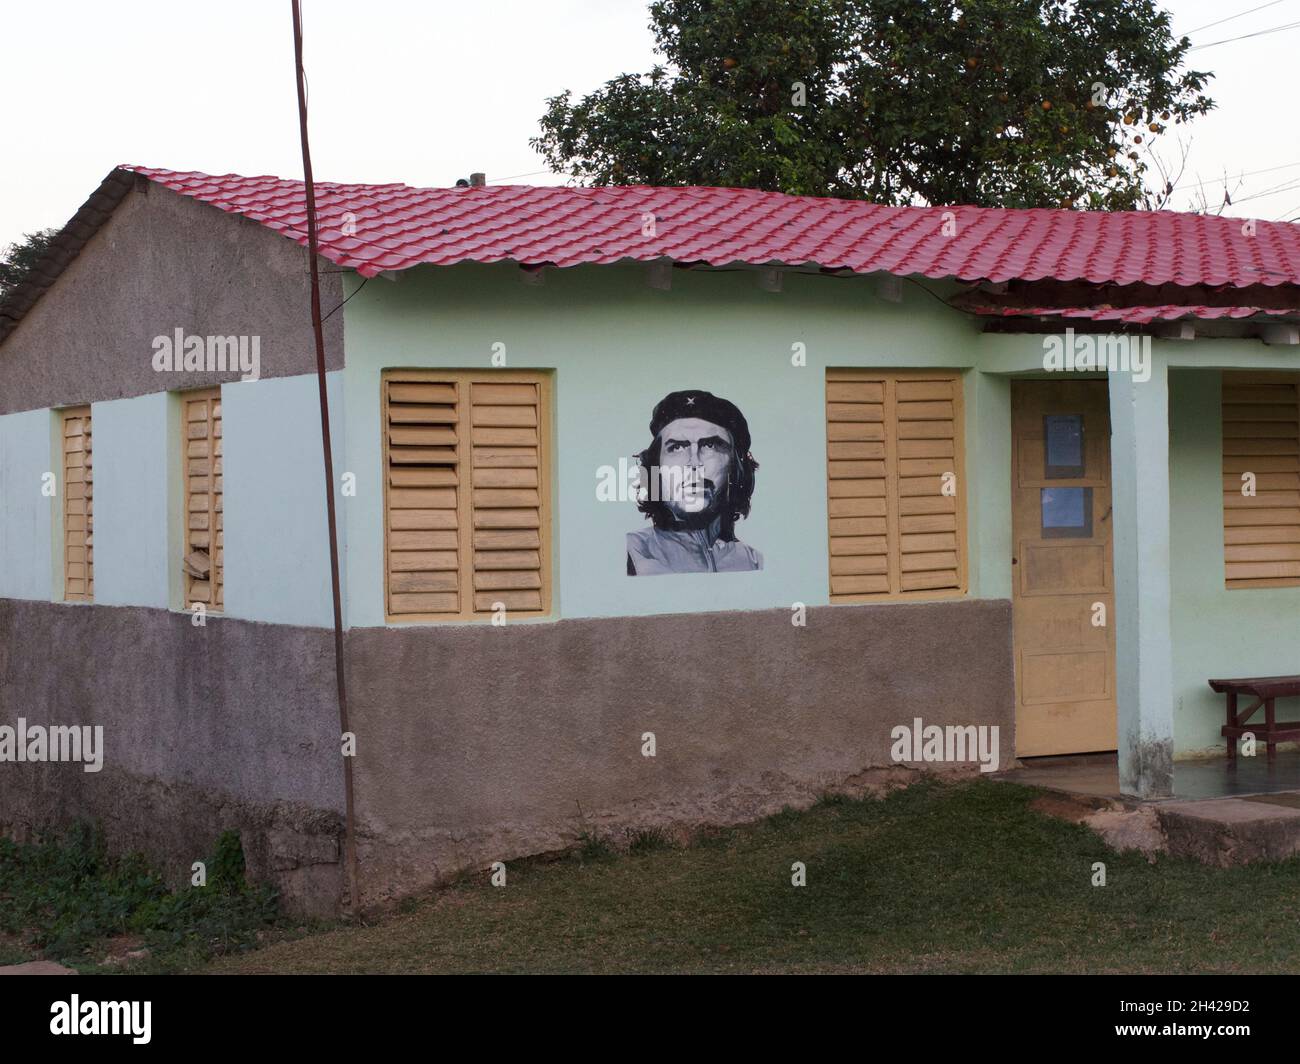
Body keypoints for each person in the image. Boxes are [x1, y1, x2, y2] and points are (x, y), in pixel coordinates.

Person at [626, 389, 762, 575]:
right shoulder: (633, 553)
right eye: (677, 447)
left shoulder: (754, 562)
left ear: (736, 468)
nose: (694, 463)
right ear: (654, 467)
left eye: (710, 445)